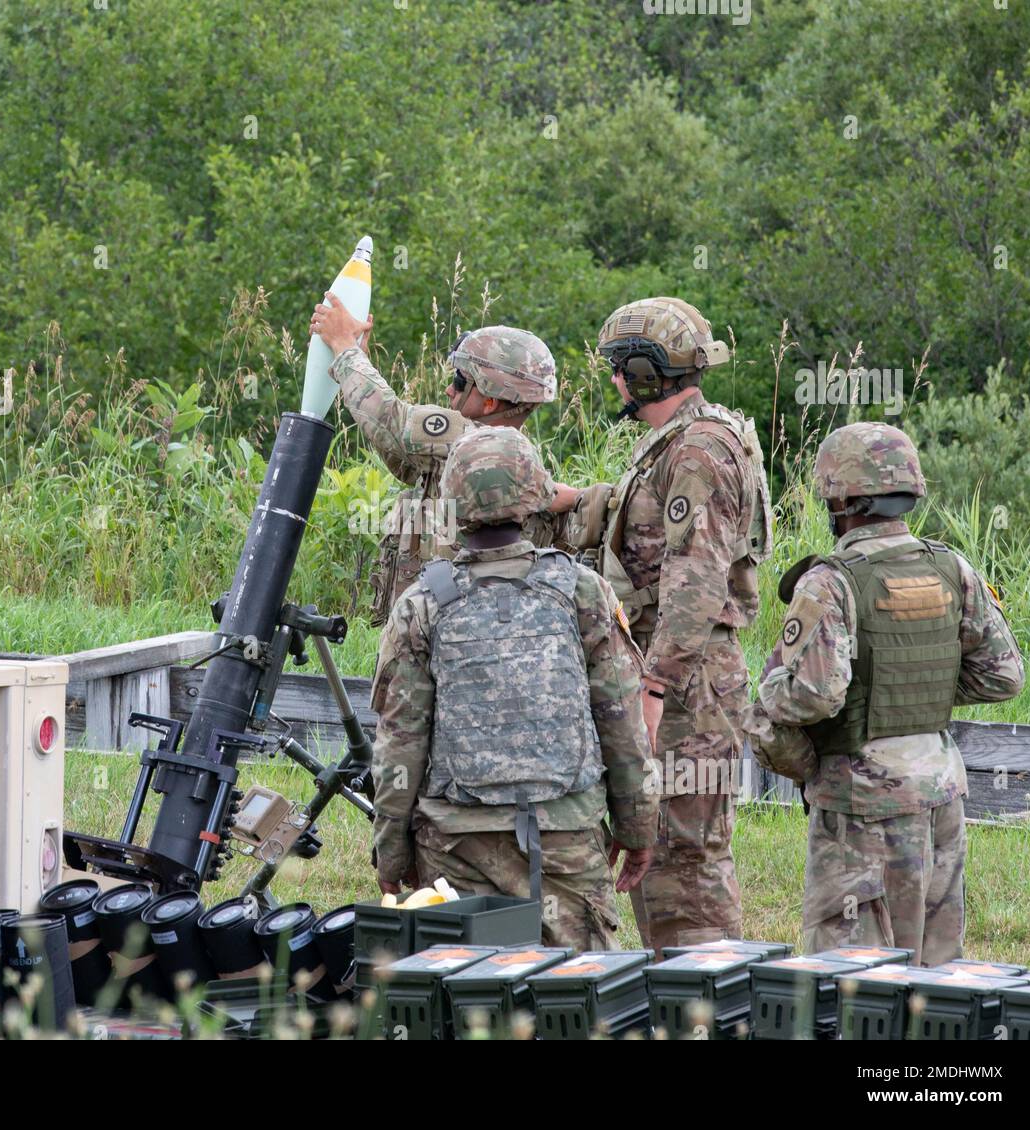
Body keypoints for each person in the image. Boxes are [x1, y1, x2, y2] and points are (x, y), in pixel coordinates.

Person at [743, 422, 1023, 965]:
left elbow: (814, 697)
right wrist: (914, 690)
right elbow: (1004, 675)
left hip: (861, 804)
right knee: (938, 978)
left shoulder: (831, 581)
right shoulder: (952, 568)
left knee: (855, 981)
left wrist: (768, 694)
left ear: (838, 495)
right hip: (941, 793)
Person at [369, 426, 658, 951]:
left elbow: (400, 741)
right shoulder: (582, 590)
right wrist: (637, 826)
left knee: (463, 994)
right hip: (565, 837)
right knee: (578, 993)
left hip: (457, 844)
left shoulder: (421, 604)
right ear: (534, 498)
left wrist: (390, 851)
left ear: (453, 504)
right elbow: (623, 723)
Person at [561, 297, 773, 956]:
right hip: (681, 673)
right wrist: (587, 502)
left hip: (686, 684)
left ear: (642, 373)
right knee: (660, 855)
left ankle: (701, 1004)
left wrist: (652, 689)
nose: (614, 381)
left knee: (685, 865)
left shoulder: (698, 451)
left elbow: (695, 583)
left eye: (618, 369)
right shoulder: (684, 440)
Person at [310, 294, 572, 625]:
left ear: (490, 402)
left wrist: (344, 347)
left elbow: (390, 421)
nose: (449, 390)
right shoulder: (517, 459)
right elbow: (401, 454)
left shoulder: (469, 439)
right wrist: (356, 358)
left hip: (442, 624)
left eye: (461, 381)